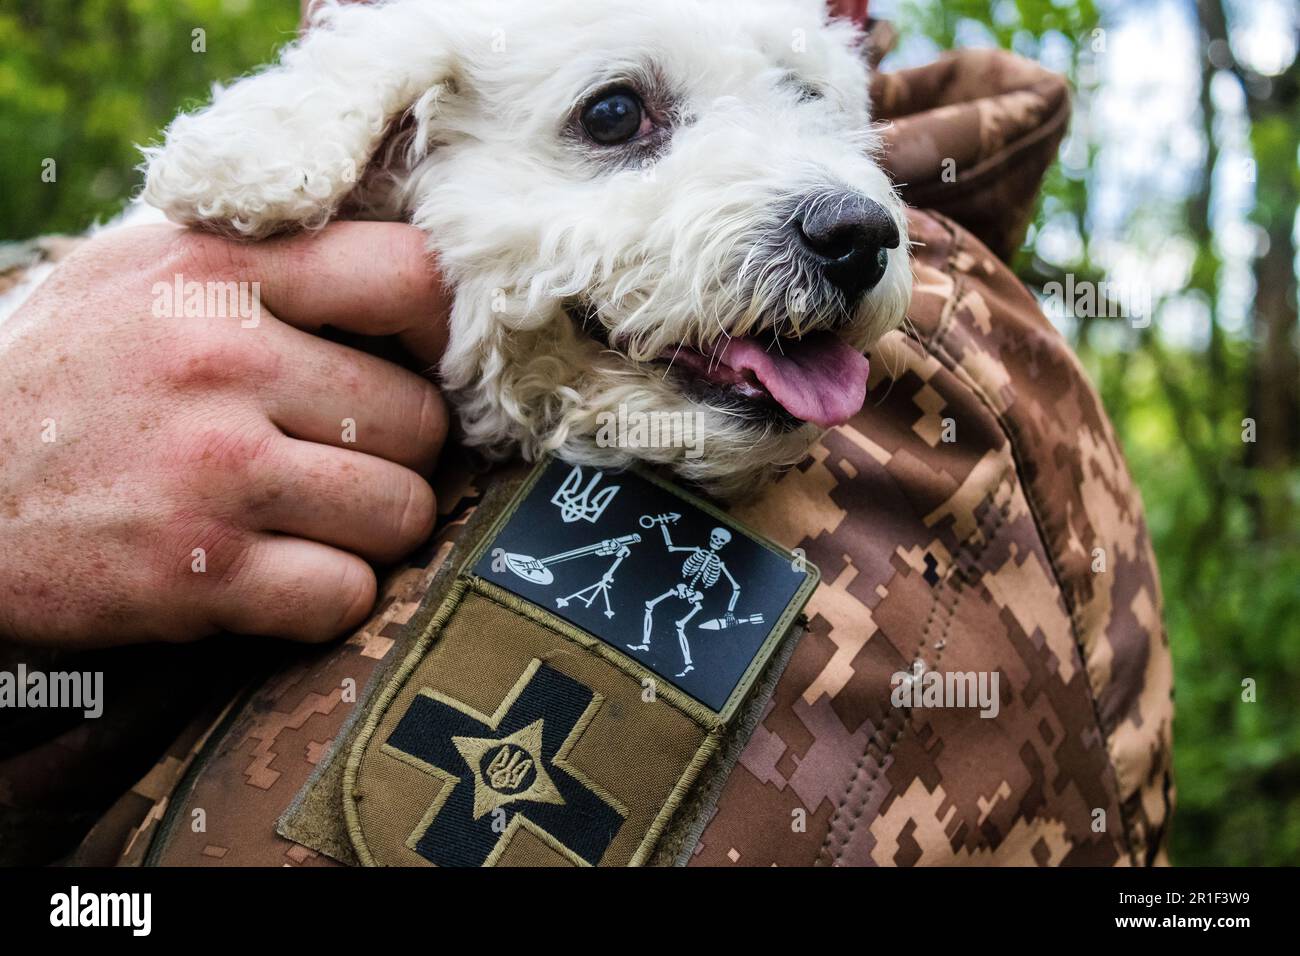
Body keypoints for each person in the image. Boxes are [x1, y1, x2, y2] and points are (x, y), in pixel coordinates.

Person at [0, 3, 1174, 867]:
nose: (842, 212)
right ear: (385, 141)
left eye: (805, 105)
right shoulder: (110, 316)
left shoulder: (914, 409)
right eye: (616, 117)